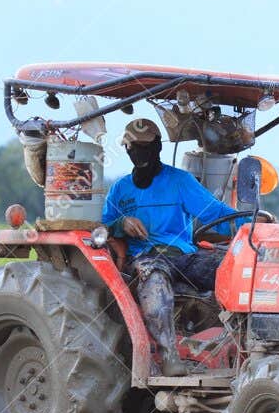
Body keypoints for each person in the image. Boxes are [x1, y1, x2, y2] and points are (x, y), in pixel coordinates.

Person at [103, 118, 248, 375]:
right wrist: (121, 224)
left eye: (146, 146)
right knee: (154, 279)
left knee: (231, 268)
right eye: (133, 147)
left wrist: (251, 222)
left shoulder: (179, 181)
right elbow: (103, 228)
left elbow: (215, 213)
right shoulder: (120, 190)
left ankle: (245, 344)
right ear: (126, 149)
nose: (140, 152)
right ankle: (169, 356)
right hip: (146, 257)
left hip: (184, 256)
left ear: (158, 147)